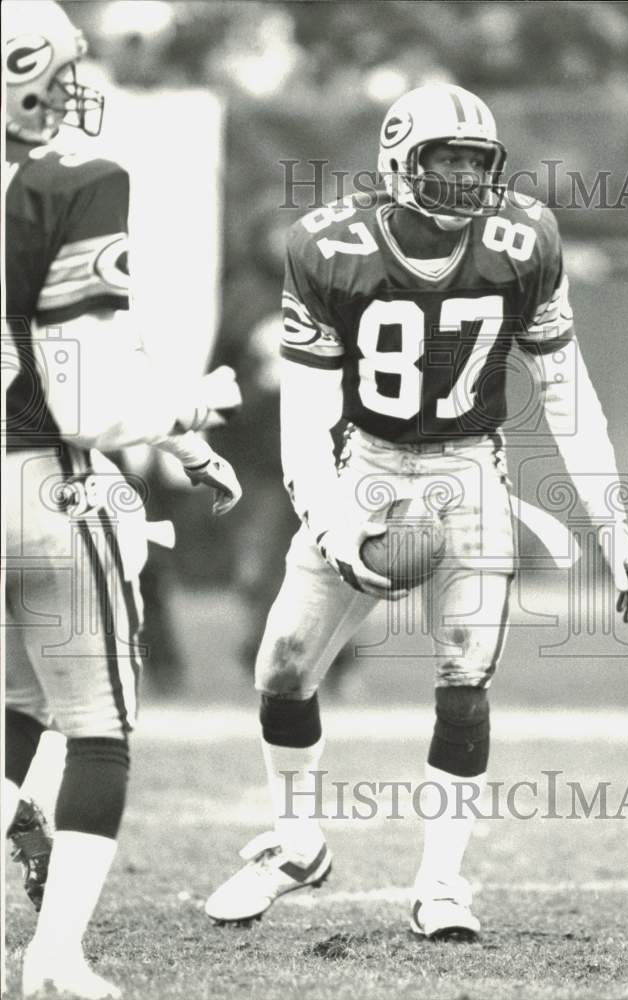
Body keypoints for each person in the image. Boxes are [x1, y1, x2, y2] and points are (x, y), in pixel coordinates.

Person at [205, 83, 628, 940]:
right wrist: (334, 521)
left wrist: (609, 519)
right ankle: (297, 842)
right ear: (398, 164)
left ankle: (441, 884)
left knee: (463, 676)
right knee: (283, 667)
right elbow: (304, 415)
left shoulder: (523, 242)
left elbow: (564, 390)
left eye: (475, 164)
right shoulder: (328, 247)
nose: (460, 181)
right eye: (443, 163)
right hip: (364, 462)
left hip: (467, 468)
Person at [4, 3, 242, 997]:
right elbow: (87, 399)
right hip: (43, 480)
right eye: (57, 73)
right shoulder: (75, 180)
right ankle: (54, 956)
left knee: (17, 708)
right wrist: (187, 410)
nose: (72, 90)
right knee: (97, 727)